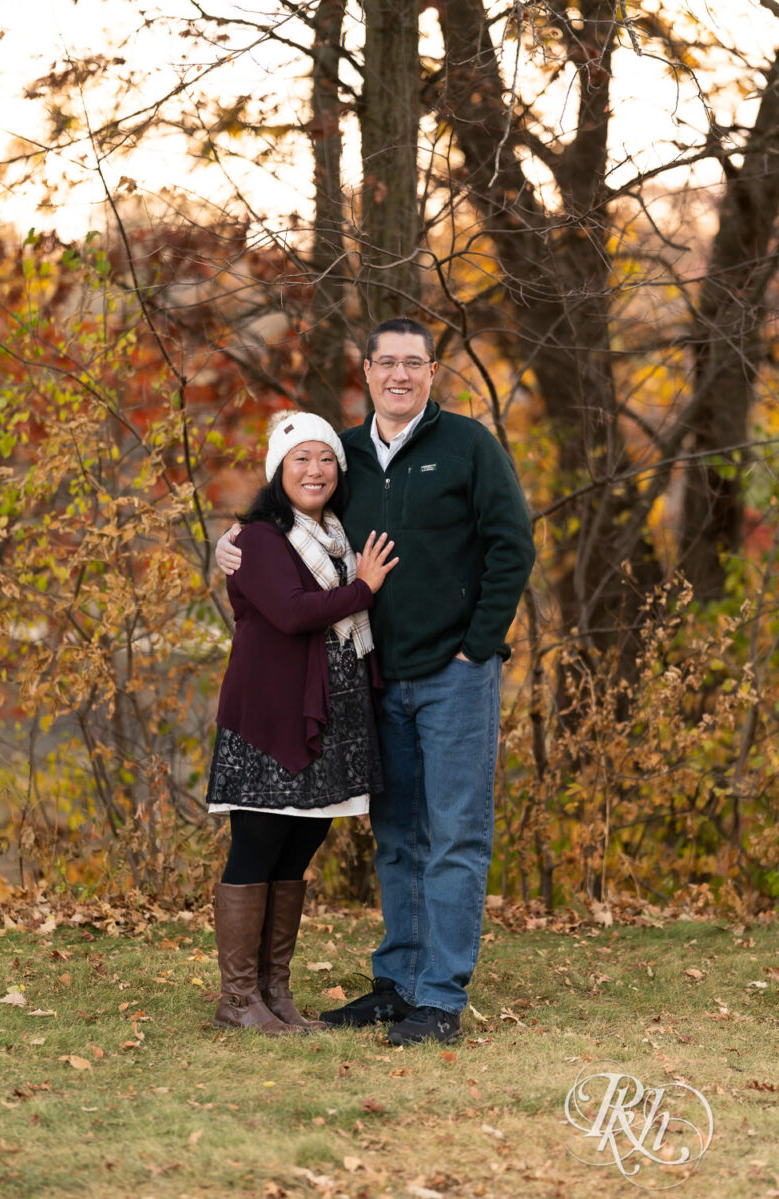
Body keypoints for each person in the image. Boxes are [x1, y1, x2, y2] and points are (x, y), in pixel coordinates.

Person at [216, 318, 535, 1045]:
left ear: (432, 371)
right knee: (396, 835)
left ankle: (440, 995)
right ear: (365, 372)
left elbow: (512, 548)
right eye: (386, 362)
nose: (399, 374)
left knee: (455, 834)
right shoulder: (347, 454)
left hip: (455, 675)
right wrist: (229, 543)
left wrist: (475, 647)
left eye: (413, 363)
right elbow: (288, 518)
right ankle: (396, 982)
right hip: (377, 681)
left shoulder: (469, 447)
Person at [207, 410, 397, 1036]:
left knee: (298, 848)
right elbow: (292, 614)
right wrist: (363, 588)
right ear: (278, 471)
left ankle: (273, 993)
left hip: (331, 711)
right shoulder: (260, 538)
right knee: (257, 846)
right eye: (300, 459)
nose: (314, 470)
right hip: (270, 713)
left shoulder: (339, 536)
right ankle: (237, 999)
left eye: (324, 459)